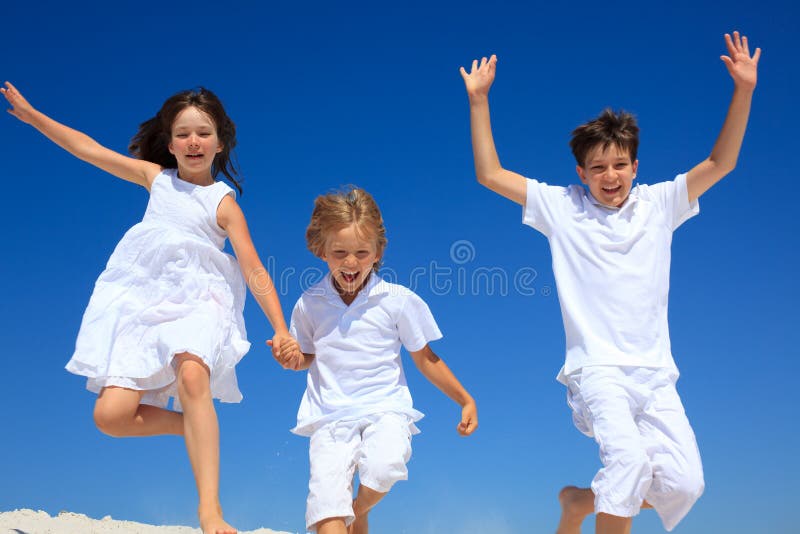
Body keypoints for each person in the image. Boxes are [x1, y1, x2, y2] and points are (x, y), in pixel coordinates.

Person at [459, 31, 759, 533]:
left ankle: (580, 501)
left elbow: (720, 163)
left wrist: (744, 89)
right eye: (598, 167)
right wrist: (479, 101)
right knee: (628, 465)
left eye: (620, 164)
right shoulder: (563, 208)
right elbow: (490, 174)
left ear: (636, 166)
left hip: (655, 373)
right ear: (582, 173)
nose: (610, 175)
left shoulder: (660, 205)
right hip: (597, 369)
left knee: (684, 485)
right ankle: (596, 502)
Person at [1, 82, 300, 534]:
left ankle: (210, 511)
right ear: (170, 142)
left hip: (200, 298)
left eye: (203, 133)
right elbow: (88, 149)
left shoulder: (222, 204)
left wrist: (280, 328)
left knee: (193, 373)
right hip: (144, 303)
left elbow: (254, 268)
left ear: (220, 142)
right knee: (110, 417)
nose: (193, 142)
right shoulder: (156, 179)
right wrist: (35, 118)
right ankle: (193, 425)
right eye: (183, 134)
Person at [274, 187, 478, 534]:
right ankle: (343, 514)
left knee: (384, 468)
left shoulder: (397, 300)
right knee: (328, 511)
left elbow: (426, 358)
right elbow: (306, 356)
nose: (350, 262)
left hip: (385, 409)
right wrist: (291, 359)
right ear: (322, 250)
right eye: (339, 252)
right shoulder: (309, 303)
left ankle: (358, 509)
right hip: (329, 416)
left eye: (361, 252)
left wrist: (465, 399)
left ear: (378, 252)